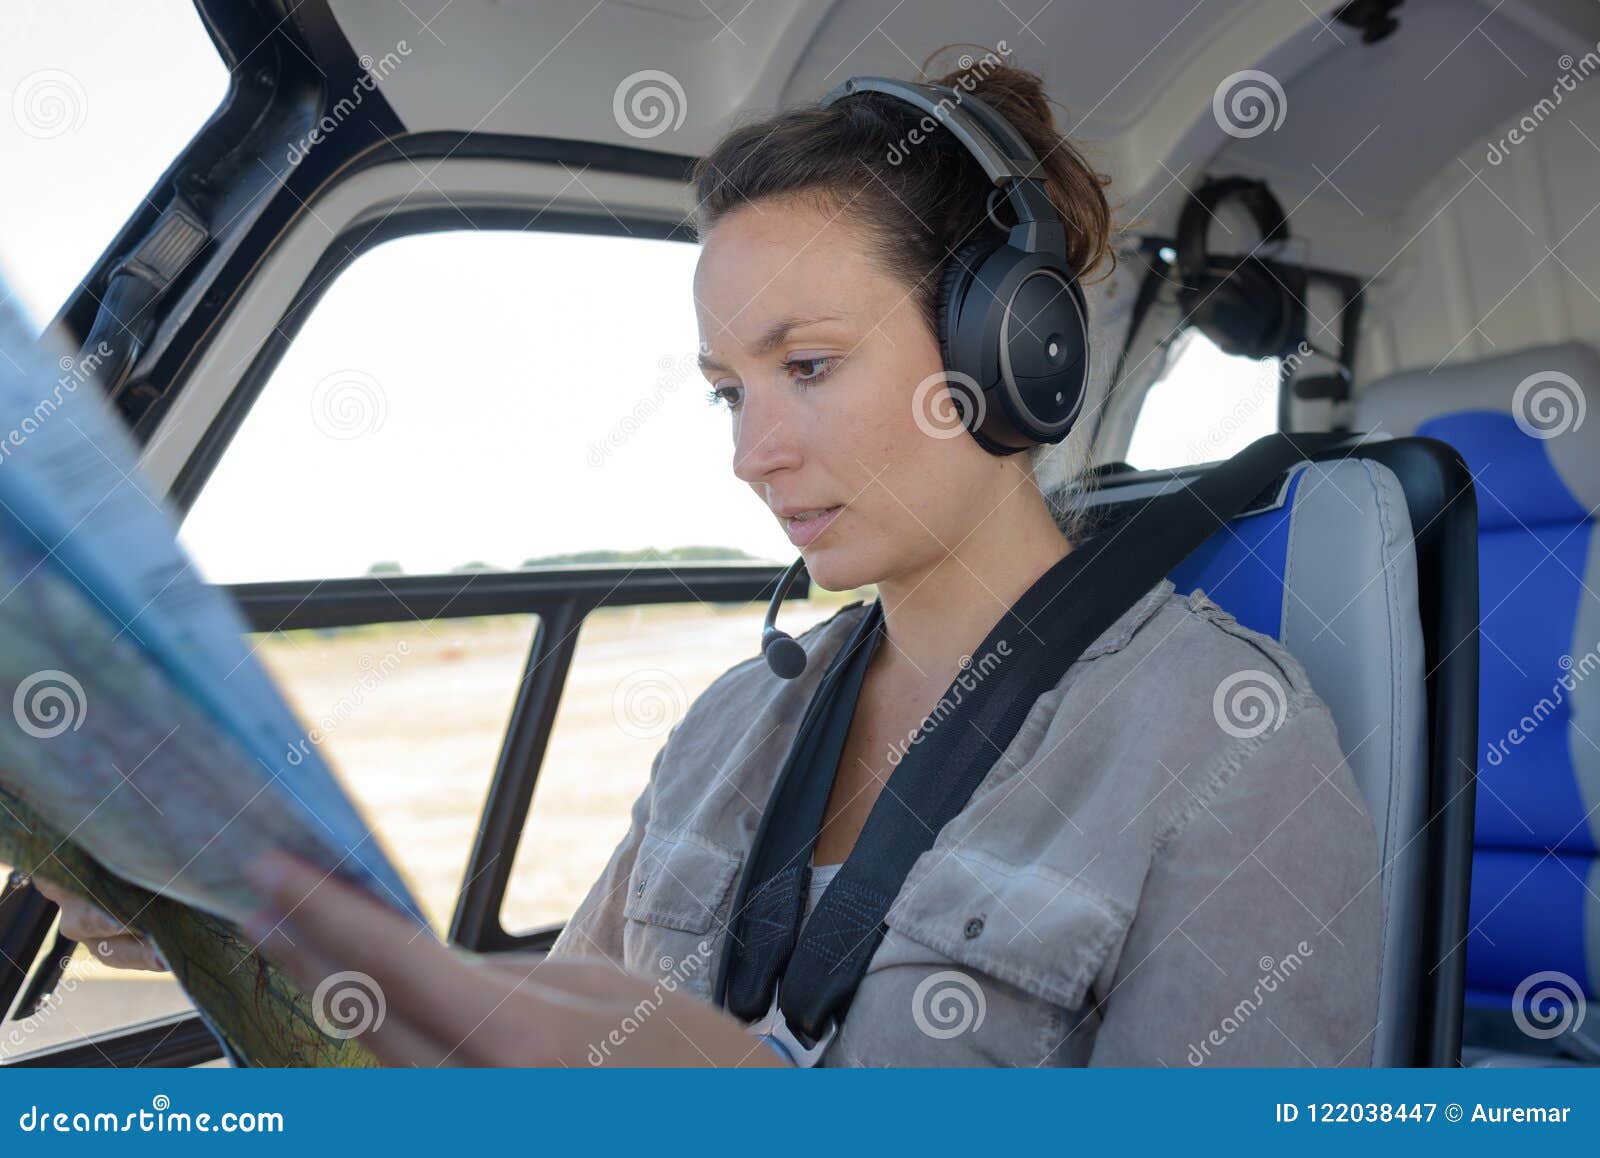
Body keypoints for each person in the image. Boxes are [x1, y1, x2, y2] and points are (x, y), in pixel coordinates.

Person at [26, 51, 1382, 1067]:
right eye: (730, 391)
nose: (754, 452)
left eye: (806, 366)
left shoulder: (1229, 749)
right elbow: (531, 1042)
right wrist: (281, 941)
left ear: (1006, 353)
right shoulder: (734, 729)